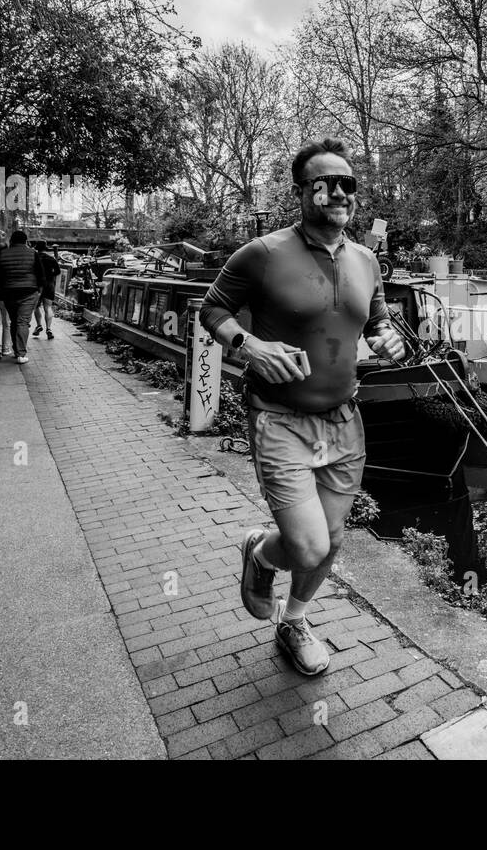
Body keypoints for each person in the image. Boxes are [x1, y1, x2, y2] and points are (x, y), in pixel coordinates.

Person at [200, 138, 405, 676]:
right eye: (326, 182)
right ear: (301, 192)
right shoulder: (263, 253)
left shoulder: (366, 259)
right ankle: (263, 553)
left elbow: (378, 319)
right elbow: (213, 309)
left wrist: (389, 339)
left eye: (349, 183)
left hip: (344, 419)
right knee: (309, 546)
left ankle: (294, 621)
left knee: (332, 539)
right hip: (279, 419)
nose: (340, 192)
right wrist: (249, 345)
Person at [0, 230, 45, 364]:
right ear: (25, 241)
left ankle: (16, 350)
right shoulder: (33, 254)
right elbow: (40, 274)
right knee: (23, 322)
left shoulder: (2, 254)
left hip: (9, 292)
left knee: (14, 321)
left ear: (11, 240)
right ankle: (21, 354)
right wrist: (39, 291)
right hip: (29, 292)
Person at [31, 240, 60, 339]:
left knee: (36, 306)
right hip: (49, 284)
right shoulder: (51, 258)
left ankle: (39, 325)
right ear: (45, 248)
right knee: (48, 307)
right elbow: (58, 271)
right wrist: (50, 276)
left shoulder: (34, 258)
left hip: (37, 285)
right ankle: (49, 329)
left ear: (36, 248)